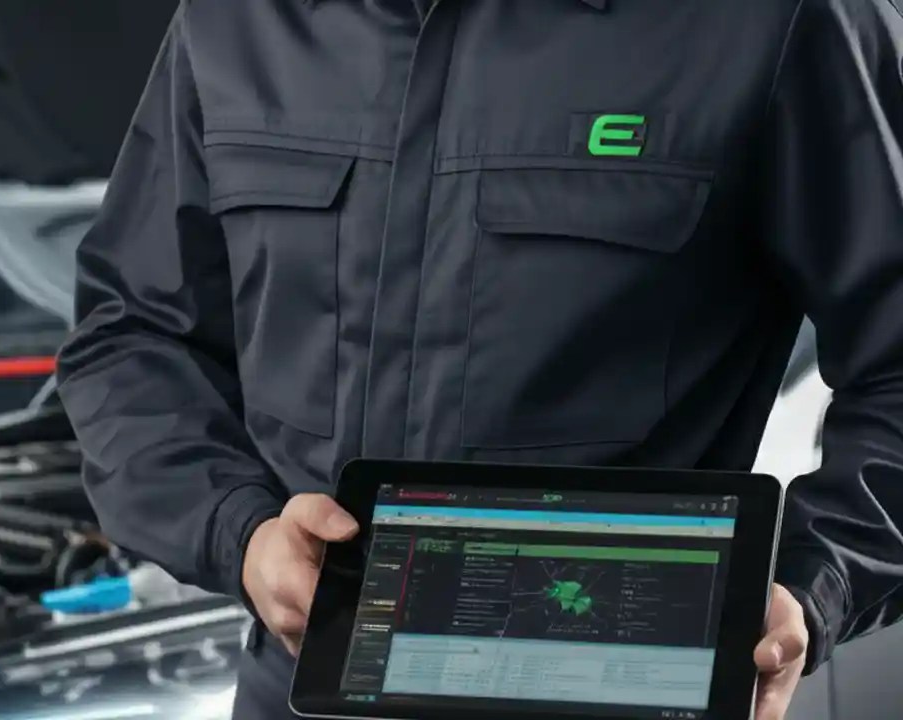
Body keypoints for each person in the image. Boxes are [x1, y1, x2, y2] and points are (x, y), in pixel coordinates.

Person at [56, 1, 903, 718]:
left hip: (621, 692)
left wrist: (812, 585)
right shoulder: (236, 19)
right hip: (300, 695)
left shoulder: (777, 20)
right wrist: (241, 535)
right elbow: (131, 335)